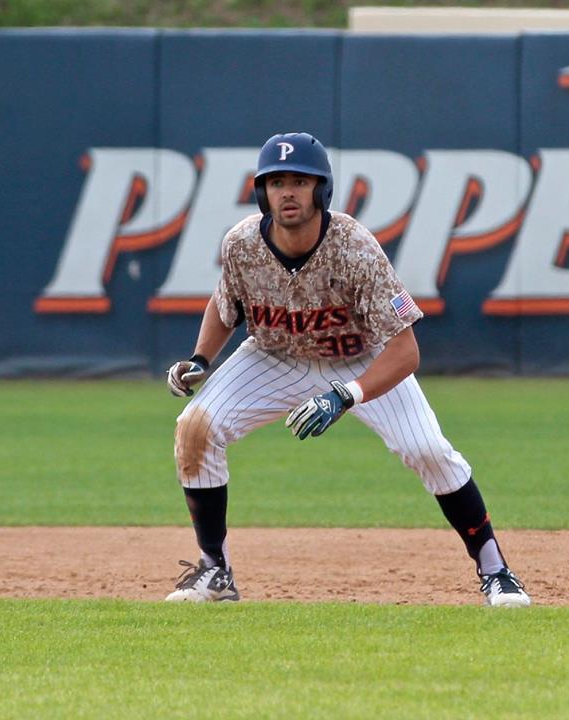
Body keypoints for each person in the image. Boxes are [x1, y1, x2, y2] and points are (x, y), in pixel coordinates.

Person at [164, 131, 530, 607]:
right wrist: (200, 359)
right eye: (277, 182)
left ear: (322, 190)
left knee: (429, 450)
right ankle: (215, 571)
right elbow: (225, 304)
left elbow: (405, 351)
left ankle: (496, 571)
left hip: (360, 358)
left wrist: (345, 394)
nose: (288, 192)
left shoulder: (354, 246)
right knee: (195, 427)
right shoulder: (242, 243)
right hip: (275, 356)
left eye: (300, 181)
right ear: (262, 191)